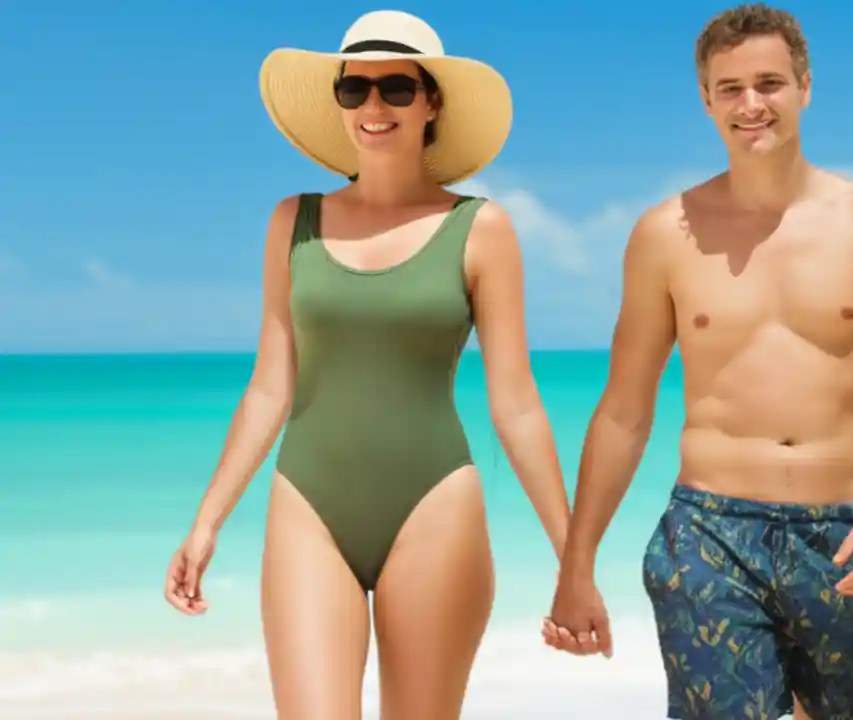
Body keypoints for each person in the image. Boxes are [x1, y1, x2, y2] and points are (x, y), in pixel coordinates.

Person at [544, 3, 853, 719]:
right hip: (708, 533)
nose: (751, 104)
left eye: (769, 83)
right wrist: (576, 564)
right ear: (705, 100)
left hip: (847, 534)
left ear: (805, 88)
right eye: (730, 89)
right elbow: (623, 412)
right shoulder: (663, 235)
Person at [162, 10, 571, 719]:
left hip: (435, 508)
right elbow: (270, 385)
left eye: (396, 88)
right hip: (308, 507)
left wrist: (575, 556)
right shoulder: (293, 221)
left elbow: (516, 404)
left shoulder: (481, 230)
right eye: (355, 90)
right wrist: (206, 523)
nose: (373, 107)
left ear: (431, 101)